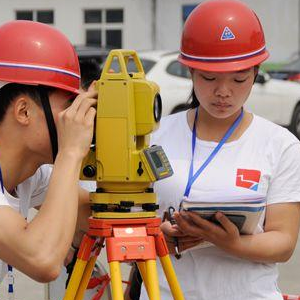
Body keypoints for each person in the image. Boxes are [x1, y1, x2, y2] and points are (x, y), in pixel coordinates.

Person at [139, 1, 300, 300]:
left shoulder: (280, 144)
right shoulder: (155, 136)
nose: (223, 92)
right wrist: (157, 232)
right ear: (190, 72)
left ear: (256, 73)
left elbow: (284, 243)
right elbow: (122, 216)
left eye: (239, 79)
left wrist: (228, 242)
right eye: (209, 78)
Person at [0, 19, 97, 296]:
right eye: (70, 105)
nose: (76, 116)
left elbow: (91, 214)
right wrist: (70, 151)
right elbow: (43, 260)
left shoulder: (30, 174)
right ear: (23, 111)